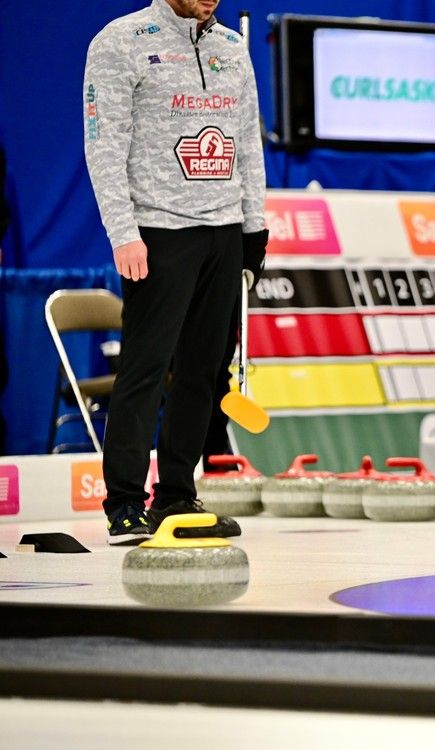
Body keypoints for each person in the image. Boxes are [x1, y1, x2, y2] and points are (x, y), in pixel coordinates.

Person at [84, 0, 267, 545]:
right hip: (158, 230)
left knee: (204, 372)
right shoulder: (121, 40)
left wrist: (254, 226)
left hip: (225, 227)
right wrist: (123, 231)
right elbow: (104, 144)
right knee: (145, 368)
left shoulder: (234, 46)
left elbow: (248, 141)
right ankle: (123, 503)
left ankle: (176, 495)